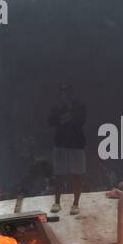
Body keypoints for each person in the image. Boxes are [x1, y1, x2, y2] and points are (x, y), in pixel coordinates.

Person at [48, 83, 87, 215]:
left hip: (77, 144)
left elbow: (81, 121)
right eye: (62, 92)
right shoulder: (57, 107)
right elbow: (50, 121)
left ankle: (76, 203)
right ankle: (57, 202)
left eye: (67, 92)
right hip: (61, 144)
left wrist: (69, 111)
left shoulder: (80, 106)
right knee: (59, 175)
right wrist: (63, 115)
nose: (65, 95)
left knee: (78, 175)